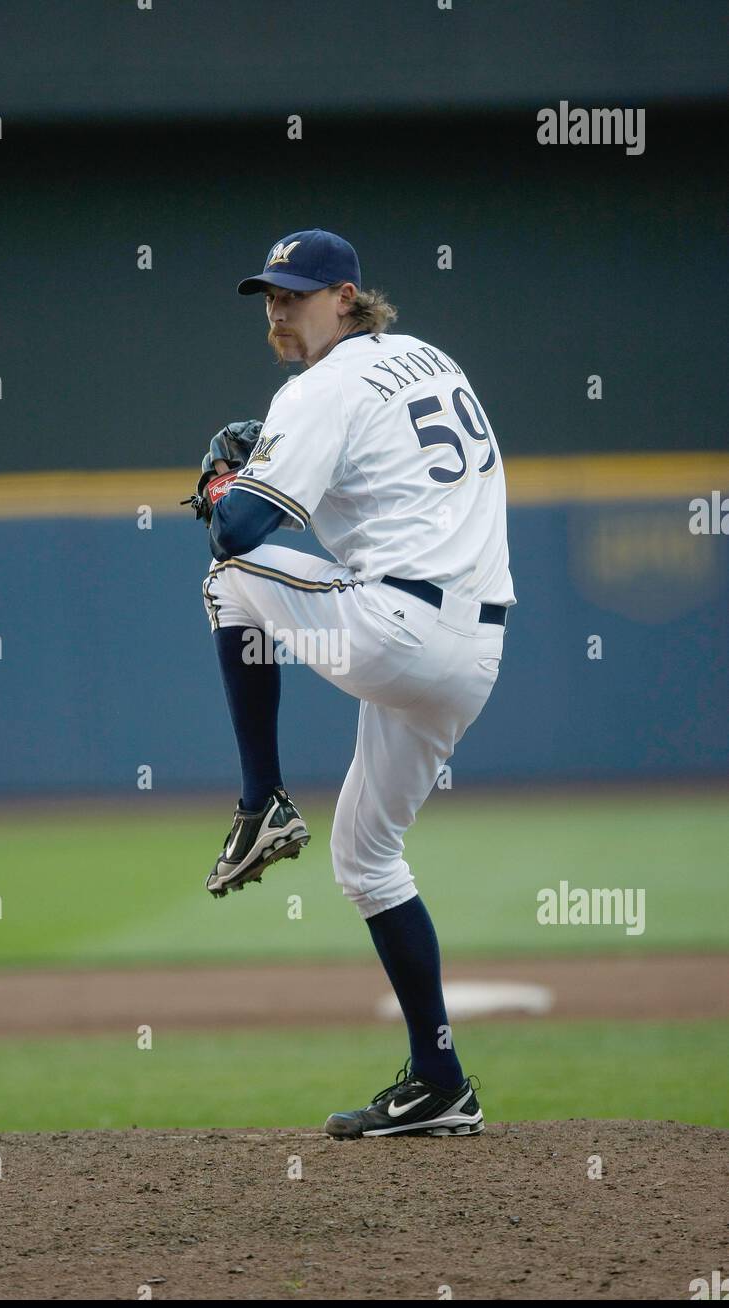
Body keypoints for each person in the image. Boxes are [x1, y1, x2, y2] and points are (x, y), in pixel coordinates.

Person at [194, 228, 515, 1139]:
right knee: (367, 858)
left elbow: (238, 530)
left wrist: (225, 486)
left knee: (228, 579)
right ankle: (441, 1082)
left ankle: (262, 802)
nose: (278, 310)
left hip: (398, 628)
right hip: (472, 653)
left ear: (345, 296)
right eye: (268, 295)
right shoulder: (427, 358)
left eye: (295, 293)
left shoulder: (320, 387)